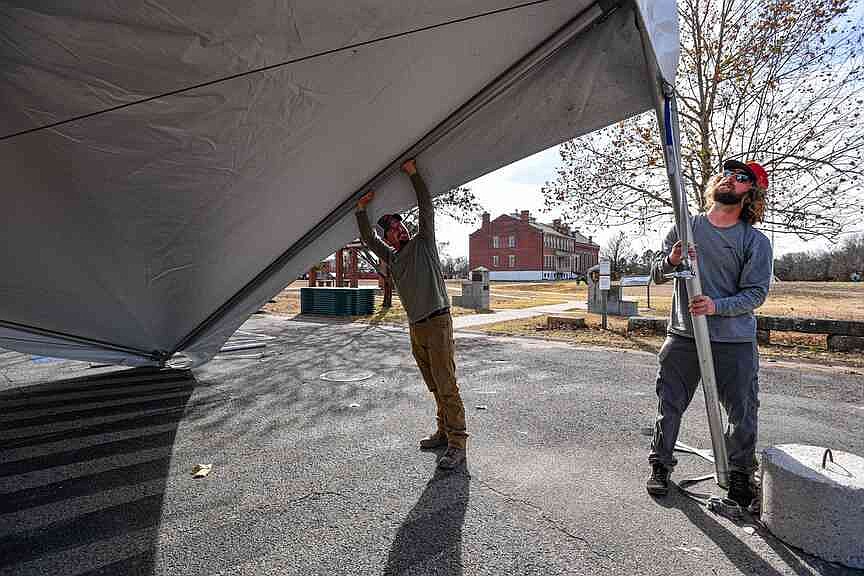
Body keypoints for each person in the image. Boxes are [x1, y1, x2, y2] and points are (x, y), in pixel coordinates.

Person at [646, 159, 773, 508]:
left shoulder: (754, 241)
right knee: (669, 404)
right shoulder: (685, 228)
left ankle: (740, 475)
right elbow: (656, 273)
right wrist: (671, 261)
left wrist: (716, 306)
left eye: (742, 178)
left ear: (751, 193)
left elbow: (755, 293)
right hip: (684, 336)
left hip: (733, 341)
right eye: (728, 173)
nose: (731, 179)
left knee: (742, 411)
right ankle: (660, 465)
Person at [355, 159, 468, 470]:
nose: (398, 229)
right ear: (388, 237)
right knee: (433, 383)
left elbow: (426, 207)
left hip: (438, 321)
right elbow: (367, 239)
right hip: (416, 327)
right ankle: (443, 432)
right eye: (391, 228)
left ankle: (458, 442)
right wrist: (361, 209)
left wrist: (413, 173)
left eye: (399, 224)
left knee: (446, 383)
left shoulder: (424, 243)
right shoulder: (392, 259)